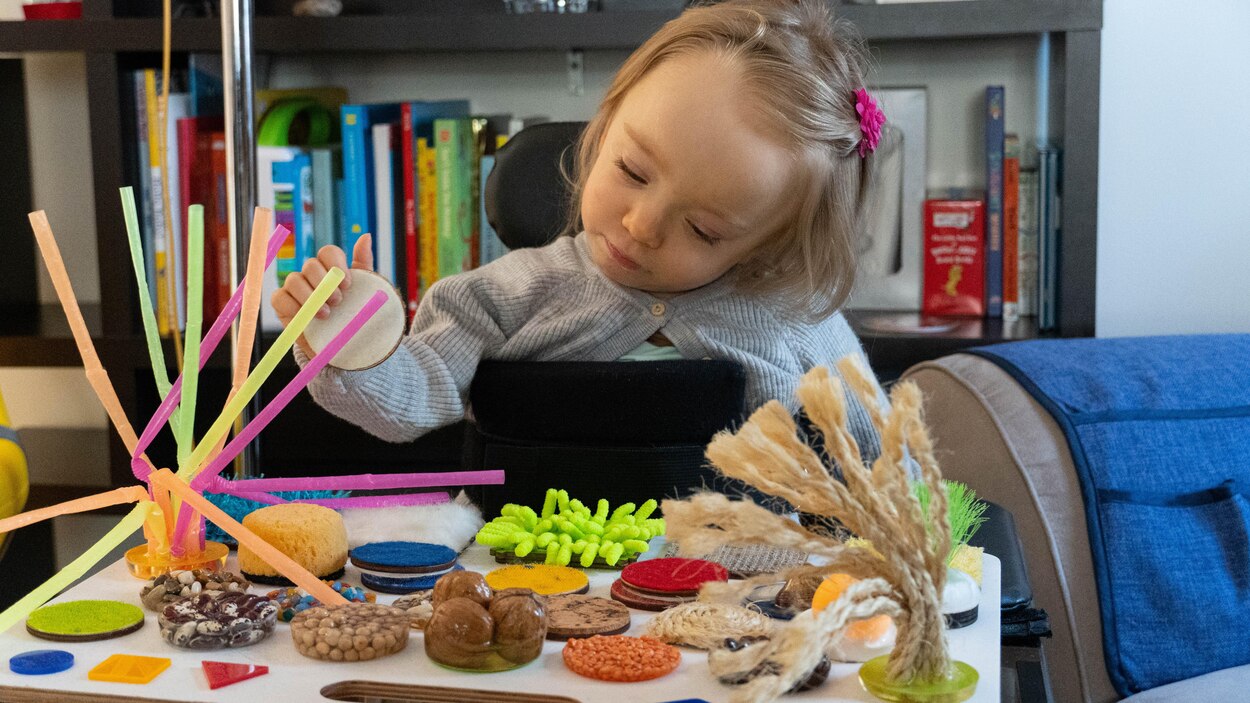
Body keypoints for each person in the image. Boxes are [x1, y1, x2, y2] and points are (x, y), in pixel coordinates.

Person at [273, 0, 891, 462]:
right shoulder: (507, 296)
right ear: (605, 123)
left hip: (725, 584)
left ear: (766, 249)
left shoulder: (794, 327)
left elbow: (886, 470)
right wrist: (357, 346)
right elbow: (411, 399)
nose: (641, 226)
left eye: (703, 230)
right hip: (521, 576)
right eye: (632, 171)